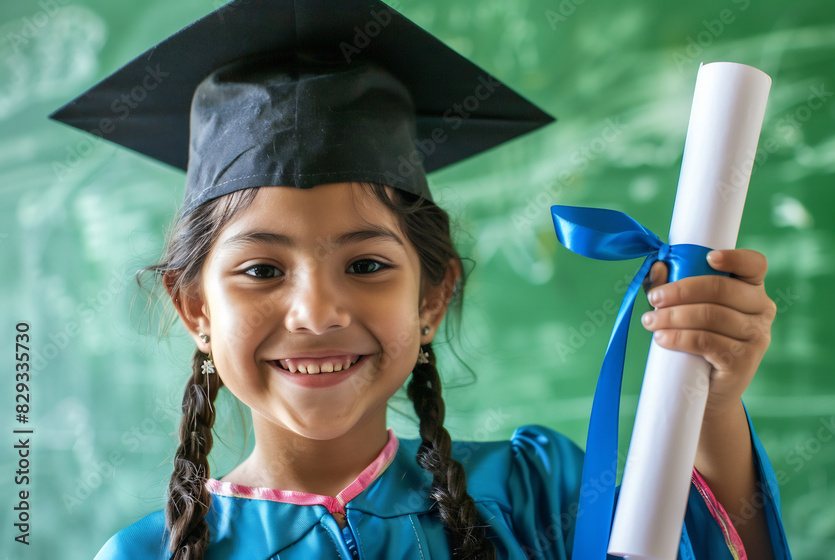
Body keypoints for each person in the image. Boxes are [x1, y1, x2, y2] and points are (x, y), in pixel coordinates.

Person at [50, 0, 792, 558]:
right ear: (194, 307)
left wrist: (714, 398)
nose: (316, 310)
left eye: (367, 264)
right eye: (261, 269)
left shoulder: (536, 494)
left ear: (432, 297)